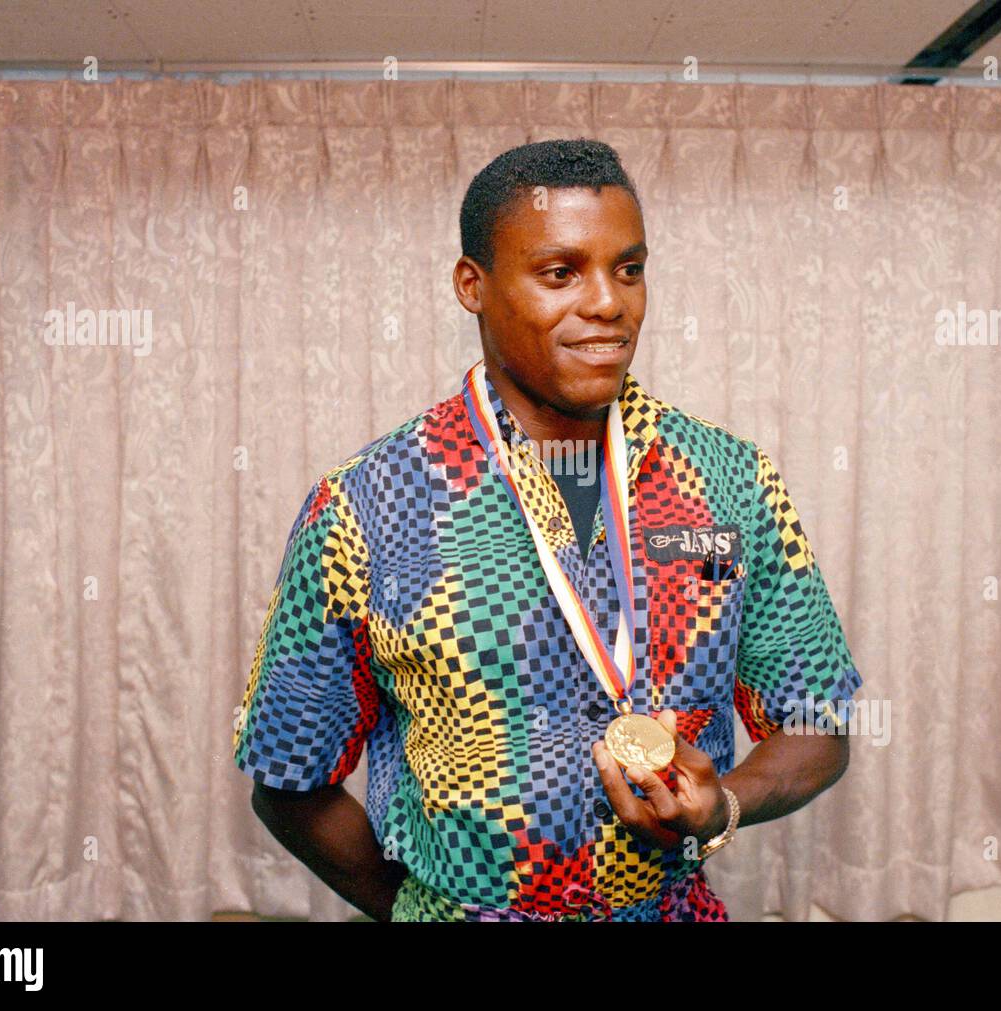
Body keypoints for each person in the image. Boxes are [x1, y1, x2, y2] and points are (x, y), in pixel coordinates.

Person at [232, 138, 863, 922]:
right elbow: (288, 776)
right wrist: (417, 910)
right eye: (561, 272)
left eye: (628, 269)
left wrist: (721, 804)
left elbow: (815, 721)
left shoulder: (731, 480)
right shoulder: (365, 506)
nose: (609, 303)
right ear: (474, 285)